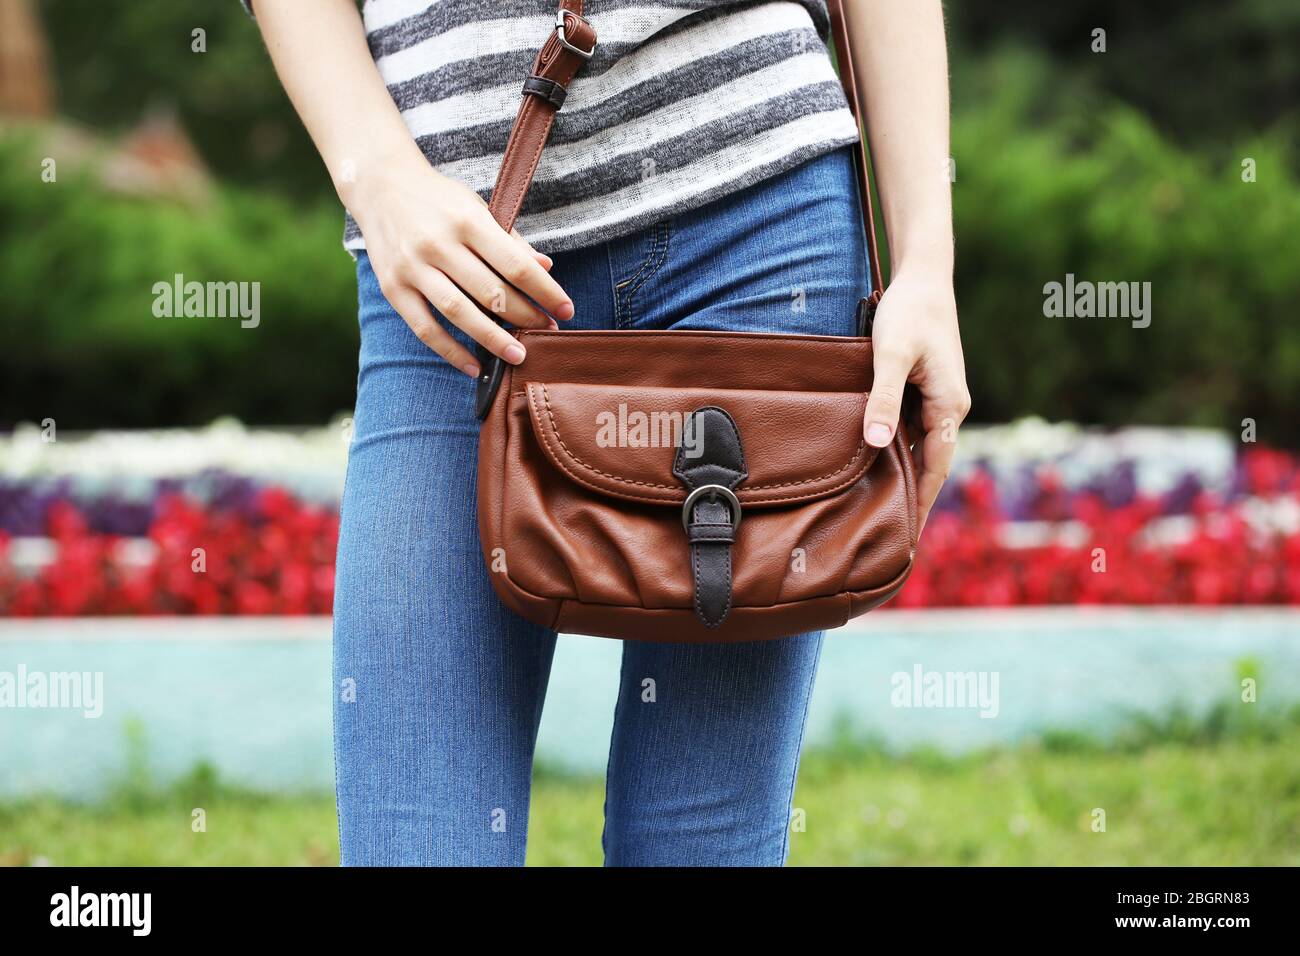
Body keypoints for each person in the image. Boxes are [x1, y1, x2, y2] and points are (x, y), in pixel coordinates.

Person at [246, 0, 969, 866]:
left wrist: (926, 258)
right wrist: (375, 175)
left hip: (757, 228)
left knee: (699, 847)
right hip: (453, 267)